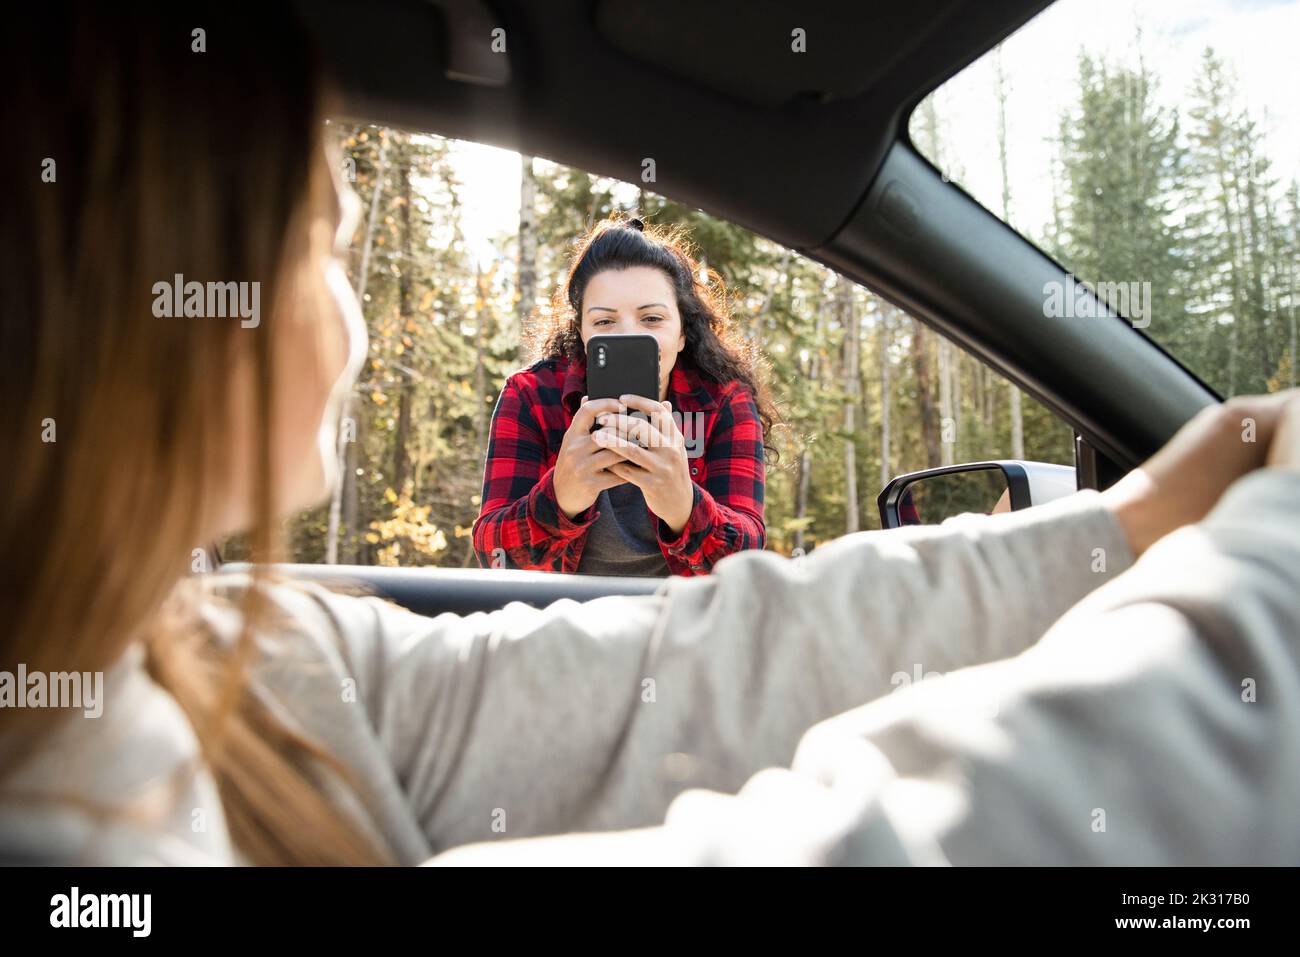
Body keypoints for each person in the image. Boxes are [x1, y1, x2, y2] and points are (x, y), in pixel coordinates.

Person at [4, 3, 1298, 867]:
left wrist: (1133, 520)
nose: (348, 321)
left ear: (683, 331)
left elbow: (713, 647)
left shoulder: (242, 666)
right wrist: (1271, 567)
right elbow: (846, 828)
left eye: (650, 320)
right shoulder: (70, 829)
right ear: (155, 297)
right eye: (319, 244)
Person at [472, 216, 775, 577]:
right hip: (563, 608)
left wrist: (684, 506)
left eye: (652, 319)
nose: (628, 335)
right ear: (581, 332)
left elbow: (745, 563)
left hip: (680, 608)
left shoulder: (723, 401)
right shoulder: (531, 395)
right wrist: (560, 498)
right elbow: (494, 555)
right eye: (604, 322)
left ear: (682, 333)